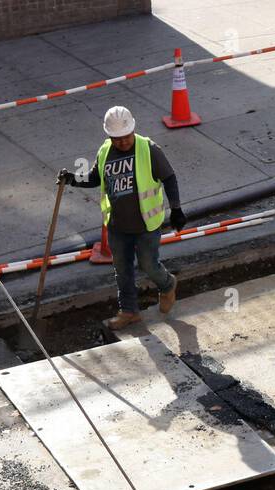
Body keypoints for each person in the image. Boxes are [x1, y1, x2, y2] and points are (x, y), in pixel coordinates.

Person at [62, 105, 188, 330]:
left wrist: (176, 209)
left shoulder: (148, 150)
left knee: (149, 265)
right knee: (122, 272)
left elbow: (169, 177)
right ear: (109, 135)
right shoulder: (105, 151)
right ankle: (129, 311)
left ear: (133, 129)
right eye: (116, 138)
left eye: (126, 136)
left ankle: (167, 284)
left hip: (146, 225)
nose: (122, 142)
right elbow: (95, 178)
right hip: (117, 226)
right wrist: (73, 179)